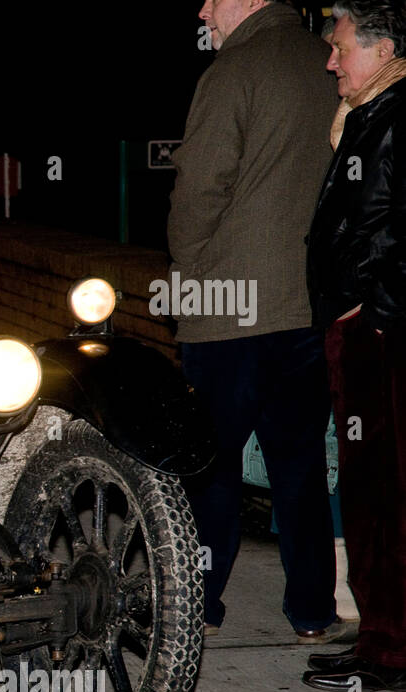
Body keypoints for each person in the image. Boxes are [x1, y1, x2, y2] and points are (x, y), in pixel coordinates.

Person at [168, 0, 347, 642]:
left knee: (210, 467)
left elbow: (199, 186)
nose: (204, 11)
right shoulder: (326, 63)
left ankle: (201, 603)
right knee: (297, 465)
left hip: (228, 309)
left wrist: (188, 269)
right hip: (302, 307)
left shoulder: (233, 70)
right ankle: (311, 611)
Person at [303, 0, 406, 692]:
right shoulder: (370, 118)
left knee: (382, 491)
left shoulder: (395, 120)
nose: (333, 60)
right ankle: (379, 635)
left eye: (343, 48)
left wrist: (368, 313)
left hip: (378, 337)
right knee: (368, 488)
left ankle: (391, 648)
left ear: (387, 49)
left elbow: (388, 234)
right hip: (365, 330)